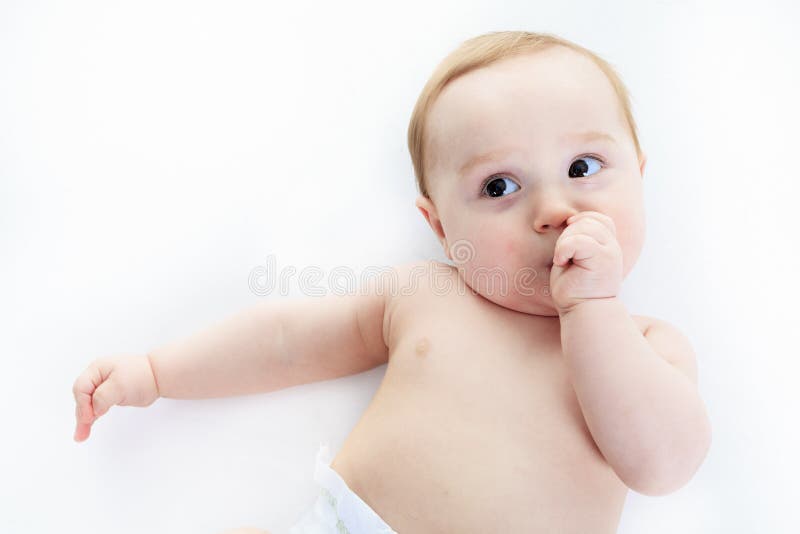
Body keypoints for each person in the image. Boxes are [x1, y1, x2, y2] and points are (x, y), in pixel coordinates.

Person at [72, 30, 712, 534]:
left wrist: (593, 309)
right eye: (499, 186)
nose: (552, 208)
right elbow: (286, 340)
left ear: (640, 174)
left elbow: (661, 467)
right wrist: (157, 373)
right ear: (438, 225)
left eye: (584, 166)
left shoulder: (650, 345)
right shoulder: (427, 296)